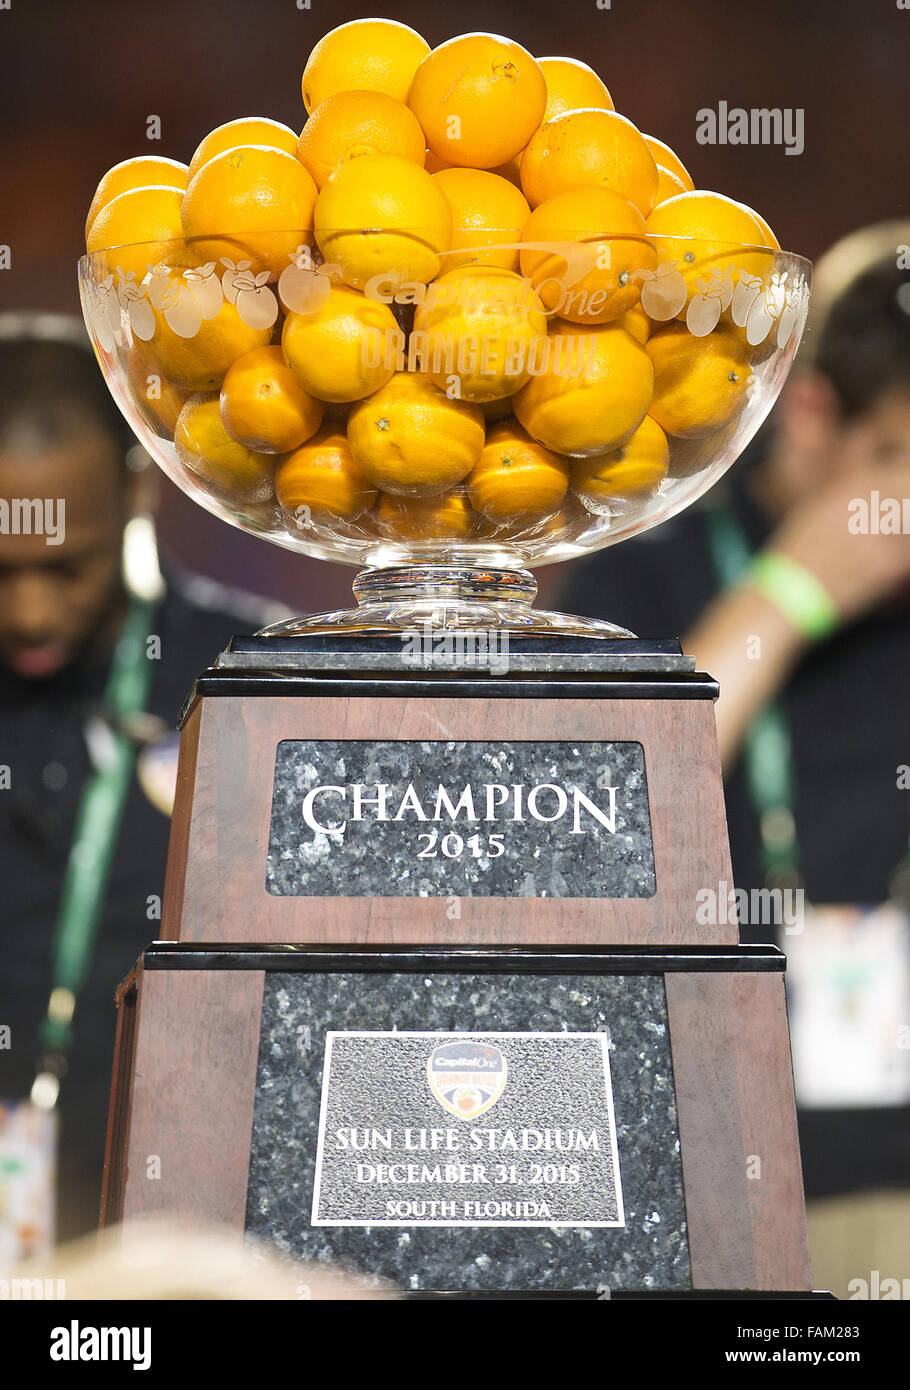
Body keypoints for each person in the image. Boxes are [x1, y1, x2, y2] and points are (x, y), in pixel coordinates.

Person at [562, 224, 910, 1297]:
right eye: (897, 466)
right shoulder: (648, 565)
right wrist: (788, 597)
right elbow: (605, 825)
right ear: (812, 416)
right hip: (713, 1172)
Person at [0, 314, 285, 1253]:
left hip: (176, 1230)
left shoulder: (250, 676)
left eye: (64, 568)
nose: (31, 612)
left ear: (134, 492)